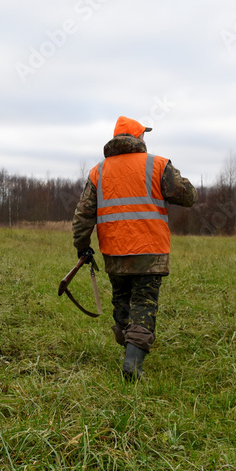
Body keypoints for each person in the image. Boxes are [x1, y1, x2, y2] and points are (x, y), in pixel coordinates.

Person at [72, 116, 196, 380]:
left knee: (122, 300)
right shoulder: (157, 165)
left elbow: (83, 215)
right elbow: (189, 196)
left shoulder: (98, 171)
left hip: (115, 253)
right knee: (144, 303)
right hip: (150, 251)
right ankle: (133, 363)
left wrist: (82, 246)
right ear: (139, 139)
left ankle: (128, 345)